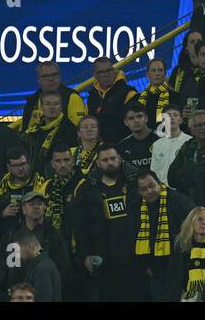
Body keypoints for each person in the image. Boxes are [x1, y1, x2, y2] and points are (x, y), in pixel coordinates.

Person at [71, 146, 141, 302]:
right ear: (97, 163)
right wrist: (85, 255)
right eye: (105, 159)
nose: (110, 163)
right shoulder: (87, 189)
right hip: (105, 262)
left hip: (135, 260)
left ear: (120, 159)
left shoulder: (135, 184)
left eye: (113, 158)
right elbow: (80, 226)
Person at [129, 170, 195, 302]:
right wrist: (145, 265)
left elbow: (196, 223)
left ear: (159, 183)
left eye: (152, 186)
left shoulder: (177, 200)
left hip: (179, 267)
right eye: (144, 189)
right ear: (138, 192)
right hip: (154, 270)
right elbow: (133, 237)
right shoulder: (136, 207)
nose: (149, 191)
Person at [167, 206, 205, 302]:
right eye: (200, 219)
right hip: (184, 296)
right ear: (191, 223)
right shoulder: (181, 248)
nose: (204, 222)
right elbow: (174, 278)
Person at [16, 61, 87, 134]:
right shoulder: (32, 100)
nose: (51, 79)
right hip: (33, 143)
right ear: (39, 80)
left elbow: (80, 129)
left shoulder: (71, 97)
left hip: (63, 142)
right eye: (46, 76)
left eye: (54, 75)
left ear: (60, 76)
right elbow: (23, 129)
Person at [168, 108, 205, 205]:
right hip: (188, 201)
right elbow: (171, 177)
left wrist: (188, 174)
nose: (204, 128)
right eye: (199, 125)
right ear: (192, 130)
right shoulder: (187, 146)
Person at [86, 56, 138, 146]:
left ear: (113, 71)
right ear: (95, 75)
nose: (106, 75)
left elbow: (136, 123)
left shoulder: (128, 93)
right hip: (99, 148)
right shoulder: (92, 96)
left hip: (125, 145)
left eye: (109, 70)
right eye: (101, 72)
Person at [24, 91, 79, 172]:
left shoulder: (70, 130)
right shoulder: (34, 131)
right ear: (42, 107)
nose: (52, 107)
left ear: (61, 107)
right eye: (48, 104)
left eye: (56, 104)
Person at [149, 104, 191, 186]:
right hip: (162, 190)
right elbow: (153, 171)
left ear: (181, 120)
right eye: (168, 115)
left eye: (176, 115)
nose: (172, 118)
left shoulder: (189, 141)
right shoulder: (157, 144)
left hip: (183, 189)